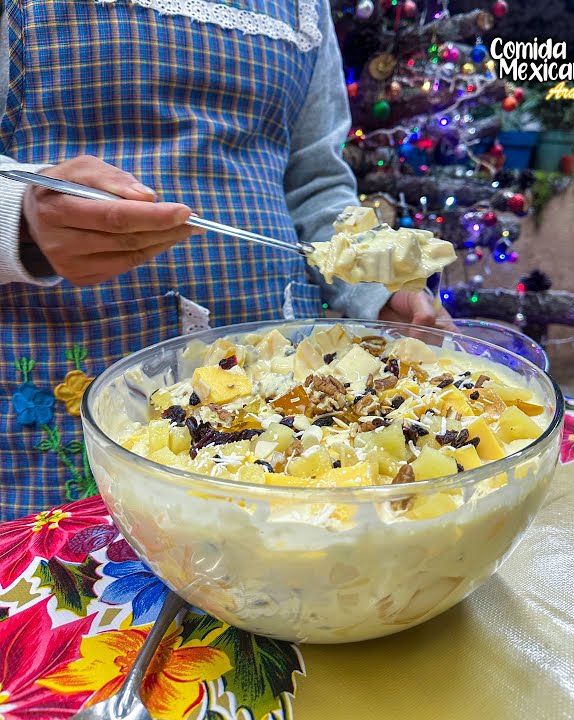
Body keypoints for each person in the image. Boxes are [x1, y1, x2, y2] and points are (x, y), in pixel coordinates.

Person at [0, 0, 452, 520]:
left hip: (286, 387)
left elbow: (315, 181)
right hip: (66, 366)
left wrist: (376, 280)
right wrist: (20, 219)